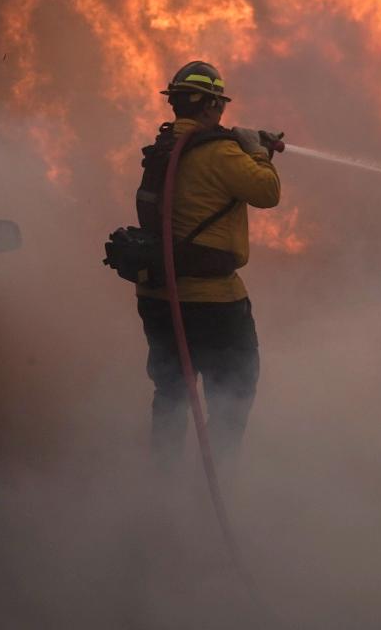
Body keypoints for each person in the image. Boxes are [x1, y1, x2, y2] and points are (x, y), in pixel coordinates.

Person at [135, 60, 281, 466]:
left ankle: (161, 488)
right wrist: (257, 152)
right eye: (218, 105)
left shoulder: (164, 149)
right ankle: (215, 487)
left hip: (158, 295)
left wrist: (248, 146)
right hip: (212, 303)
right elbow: (267, 191)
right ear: (211, 106)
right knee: (233, 393)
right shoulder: (220, 152)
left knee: (171, 391)